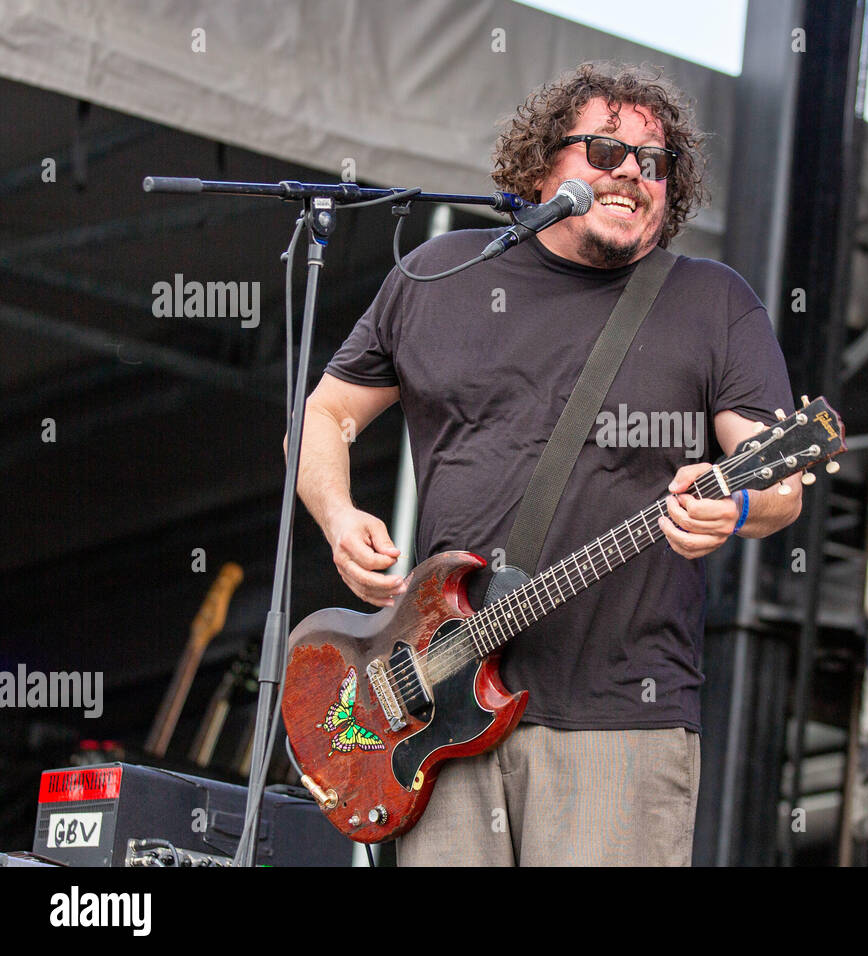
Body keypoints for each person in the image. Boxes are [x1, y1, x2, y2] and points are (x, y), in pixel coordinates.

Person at [293, 62, 801, 865]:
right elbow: (322, 415)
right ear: (539, 169)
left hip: (619, 718)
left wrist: (736, 506)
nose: (633, 170)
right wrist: (338, 515)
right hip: (433, 715)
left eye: (654, 161)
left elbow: (780, 481)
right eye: (605, 149)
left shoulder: (711, 301)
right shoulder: (436, 274)